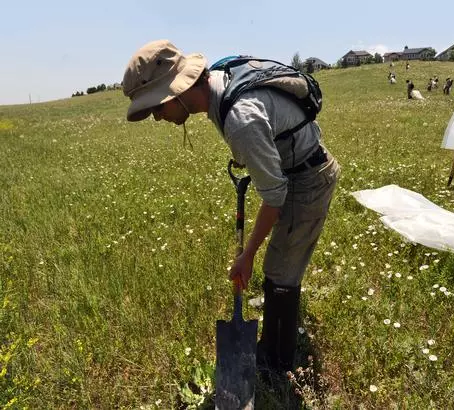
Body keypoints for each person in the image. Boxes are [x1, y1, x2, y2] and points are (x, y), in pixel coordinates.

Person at [121, 40, 340, 376]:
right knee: (280, 263)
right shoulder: (218, 82)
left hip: (309, 179)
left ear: (178, 91)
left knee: (280, 268)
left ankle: (277, 360)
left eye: (157, 107)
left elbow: (276, 196)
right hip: (292, 168)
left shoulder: (240, 120)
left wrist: (247, 254)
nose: (157, 117)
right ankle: (275, 333)